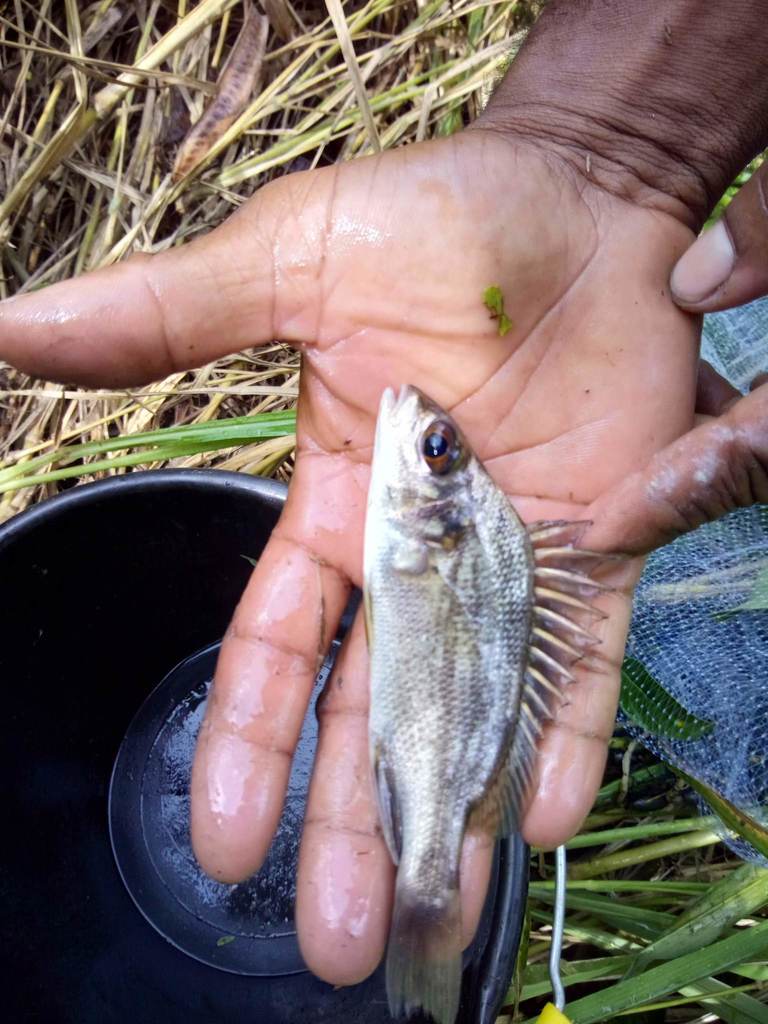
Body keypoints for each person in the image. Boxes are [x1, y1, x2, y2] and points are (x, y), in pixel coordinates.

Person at [1, 0, 767, 989]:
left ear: (444, 516)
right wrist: (609, 149)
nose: (418, 426)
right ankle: (428, 926)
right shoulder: (446, 536)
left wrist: (618, 155)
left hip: (443, 704)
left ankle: (425, 910)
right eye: (444, 449)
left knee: (401, 789)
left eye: (437, 450)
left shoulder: (454, 539)